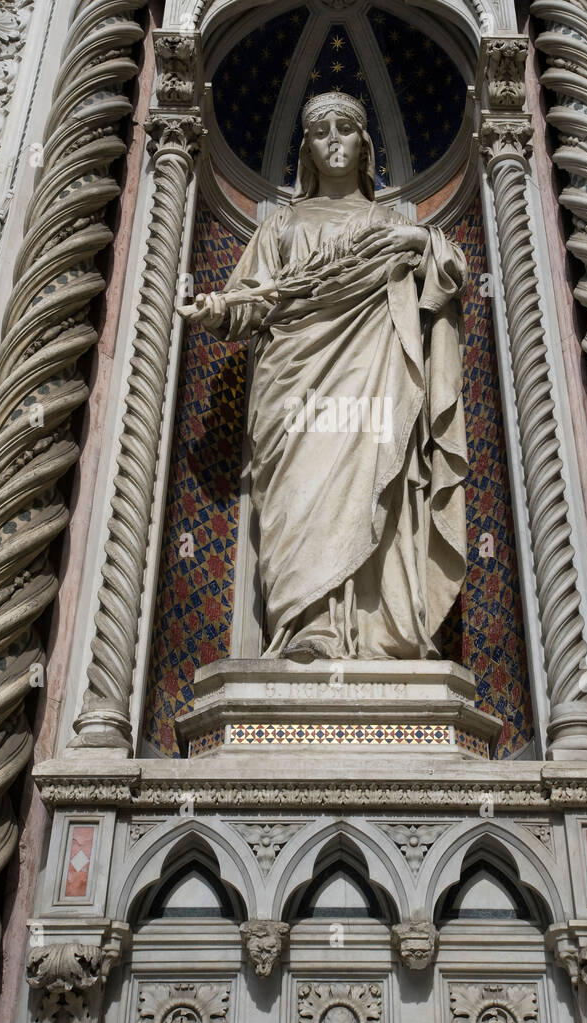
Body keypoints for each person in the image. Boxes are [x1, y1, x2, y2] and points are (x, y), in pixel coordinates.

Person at [178, 91, 467, 660]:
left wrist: (423, 242)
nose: (333, 140)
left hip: (374, 379)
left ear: (365, 143)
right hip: (296, 389)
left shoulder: (391, 225)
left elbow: (449, 277)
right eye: (320, 132)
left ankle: (379, 635)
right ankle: (307, 628)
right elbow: (252, 301)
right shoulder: (281, 226)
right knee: (302, 497)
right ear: (306, 148)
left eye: (345, 128)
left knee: (374, 486)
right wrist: (219, 310)